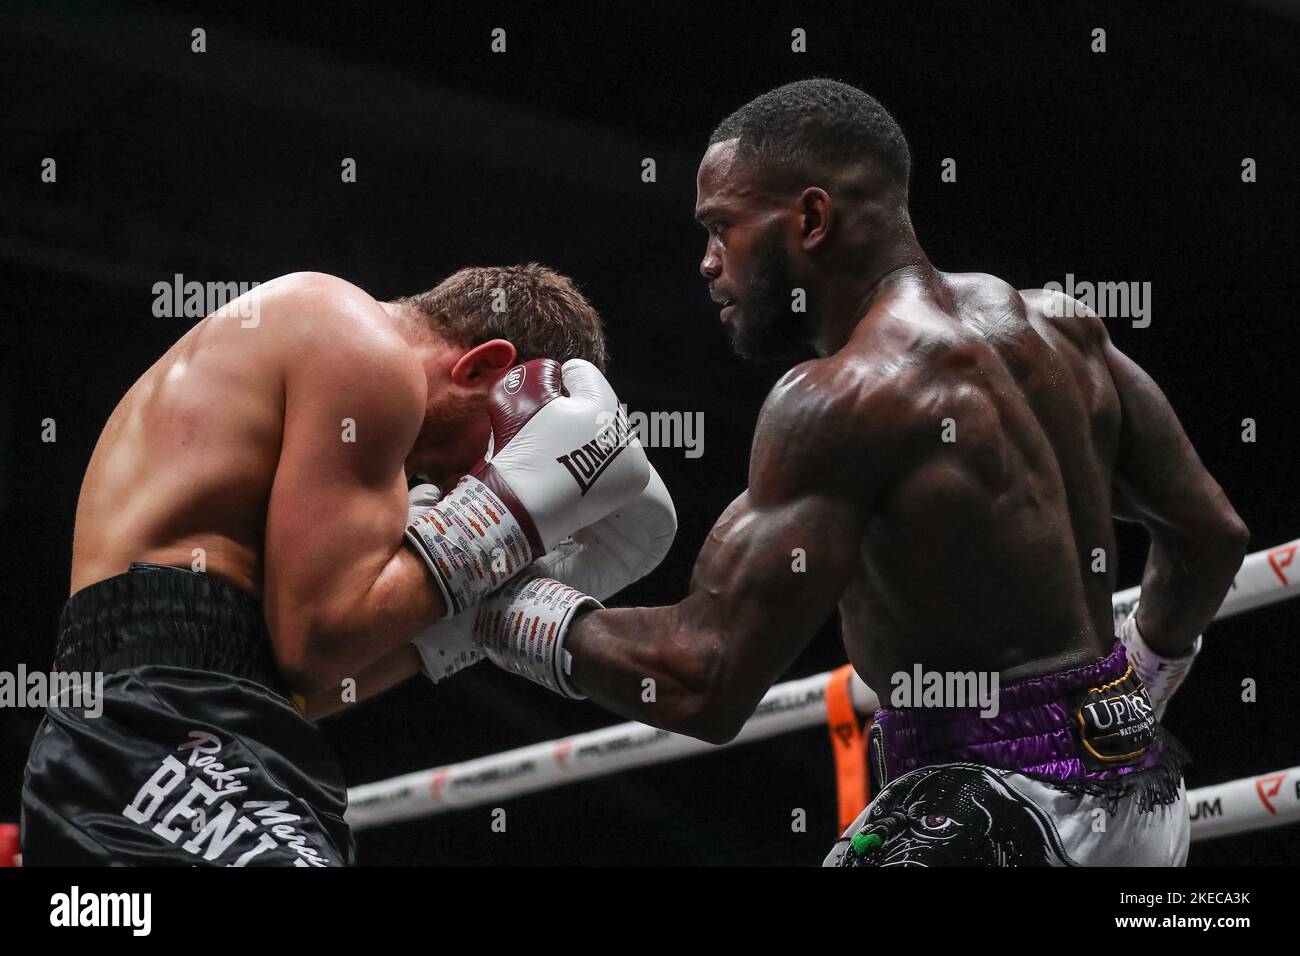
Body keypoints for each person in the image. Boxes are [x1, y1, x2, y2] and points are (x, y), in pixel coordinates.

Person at [458, 80, 1250, 866]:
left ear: (810, 218)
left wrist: (498, 605)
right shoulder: (1060, 325)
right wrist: (1141, 680)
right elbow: (1210, 534)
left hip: (989, 803)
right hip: (1144, 792)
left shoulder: (842, 397)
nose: (706, 263)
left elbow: (702, 678)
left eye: (721, 228)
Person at [21, 264, 660, 865]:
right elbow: (319, 647)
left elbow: (308, 688)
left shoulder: (324, 418)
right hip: (160, 730)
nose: (468, 479)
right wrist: (507, 515)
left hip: (155, 736)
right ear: (482, 368)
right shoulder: (356, 338)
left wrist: (487, 603)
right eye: (504, 450)